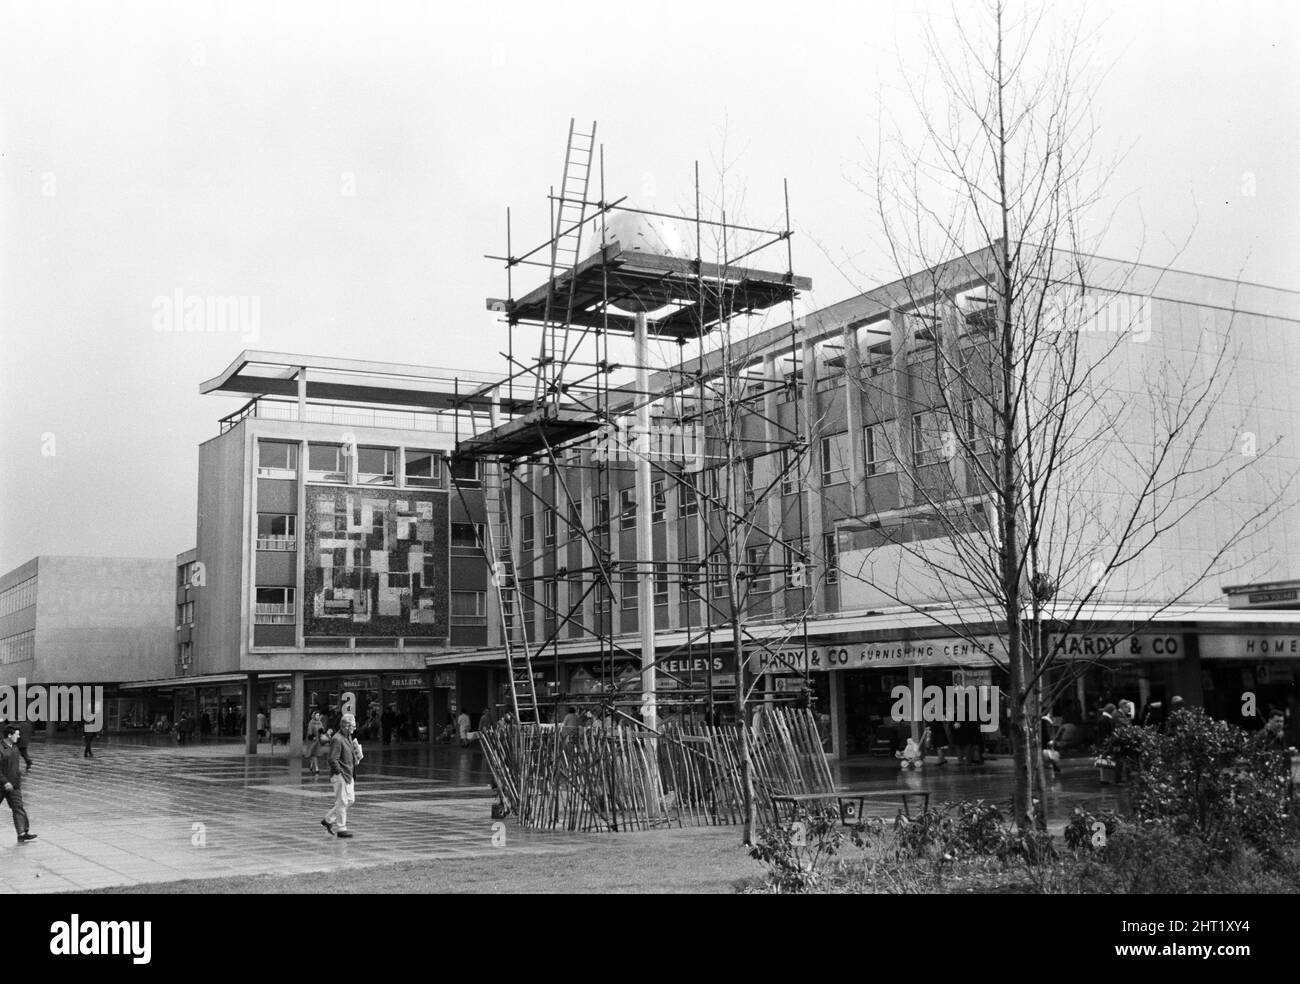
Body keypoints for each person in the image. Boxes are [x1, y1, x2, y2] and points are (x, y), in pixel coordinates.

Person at [321, 713, 362, 839]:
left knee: (350, 800)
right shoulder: (337, 739)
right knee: (342, 801)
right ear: (345, 726)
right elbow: (332, 759)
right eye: (352, 726)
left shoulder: (348, 737)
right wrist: (339, 772)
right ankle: (341, 828)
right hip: (342, 775)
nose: (354, 728)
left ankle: (328, 820)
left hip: (348, 773)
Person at [1, 724, 36, 844]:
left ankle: (22, 833)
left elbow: (15, 766)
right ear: (9, 735)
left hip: (14, 785)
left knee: (18, 808)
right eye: (17, 734)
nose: (19, 736)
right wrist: (5, 782)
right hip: (2, 785)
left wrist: (17, 779)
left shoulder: (15, 747)